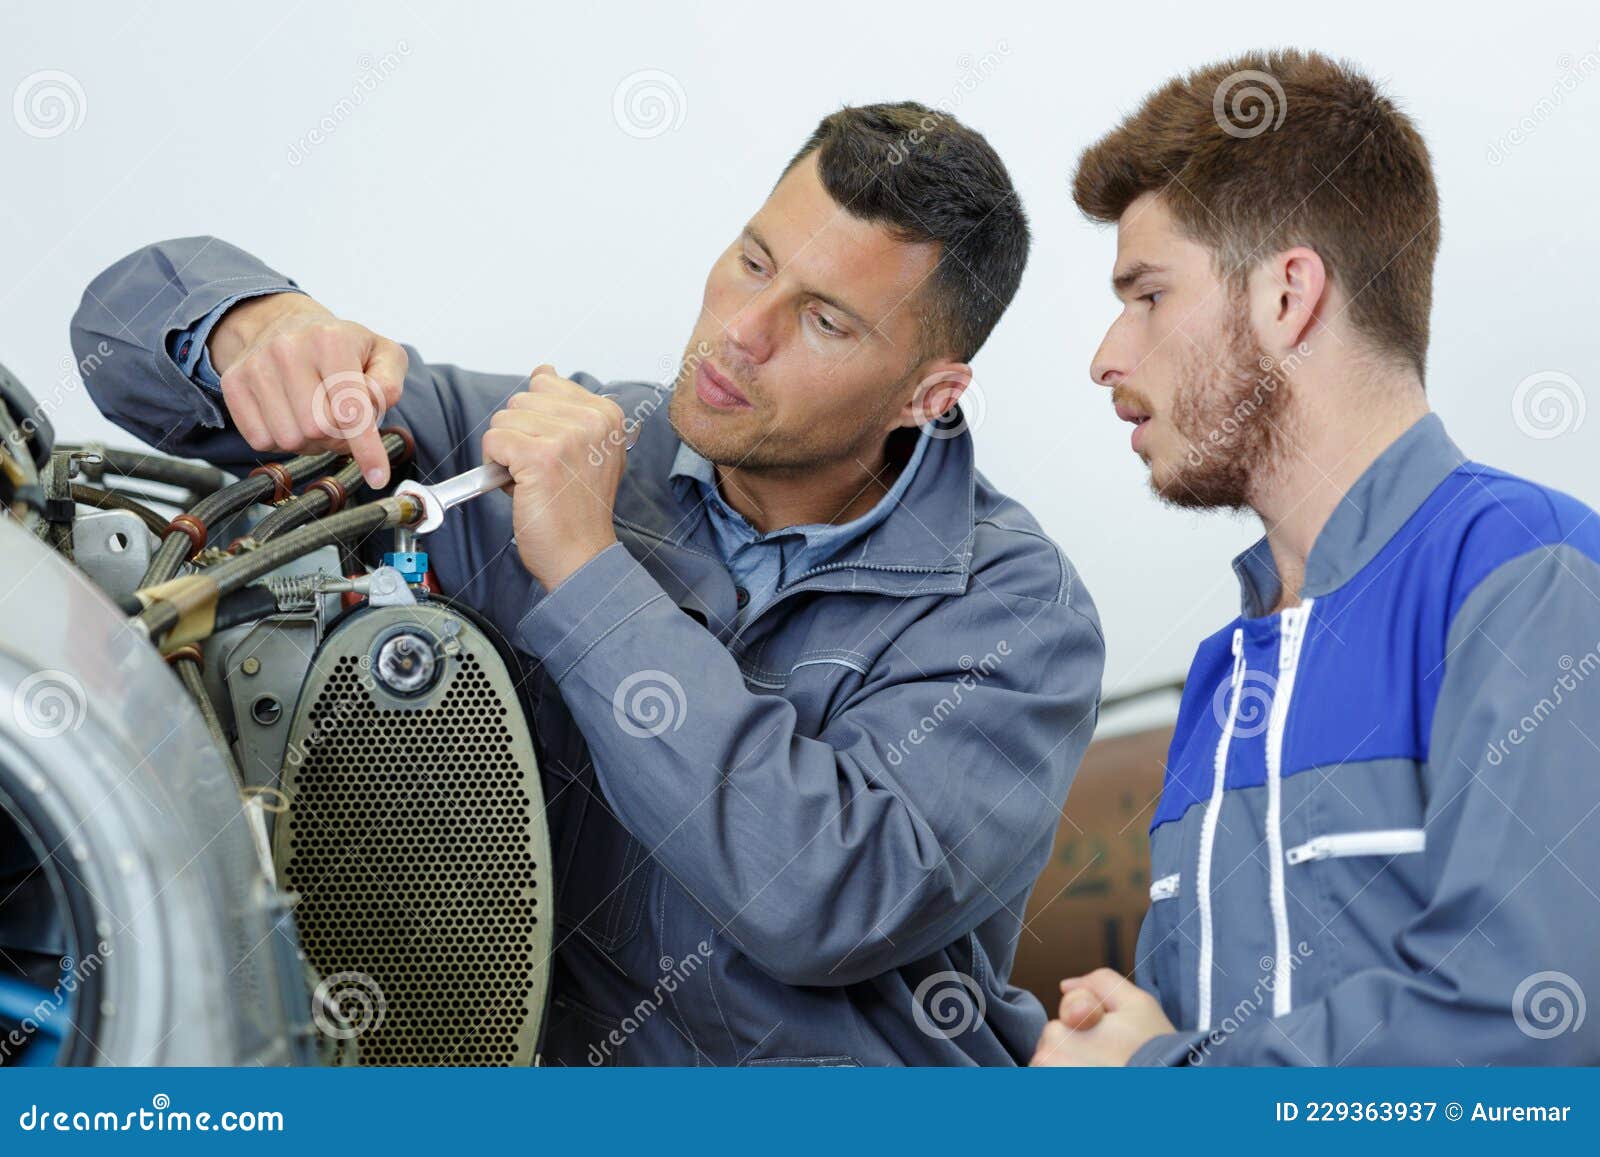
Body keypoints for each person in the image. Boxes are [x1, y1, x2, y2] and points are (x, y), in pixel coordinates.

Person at [72, 102, 1104, 1066]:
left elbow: (827, 897)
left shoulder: (1018, 613)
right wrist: (254, 326)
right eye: (753, 261)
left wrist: (586, 571)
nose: (743, 331)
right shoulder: (532, 447)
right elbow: (121, 330)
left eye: (825, 321)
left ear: (928, 395)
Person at [1033, 50, 1600, 1066]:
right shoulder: (1222, 678)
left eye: (1148, 294)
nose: (1106, 358)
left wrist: (1154, 1078)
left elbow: (1525, 1031)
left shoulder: (1532, 579)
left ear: (1288, 295)